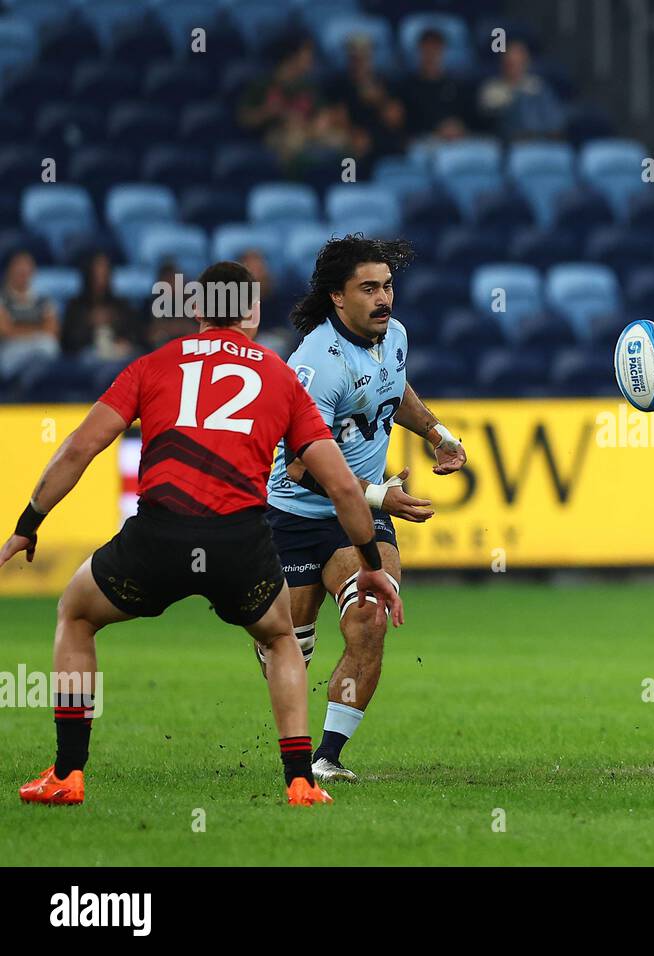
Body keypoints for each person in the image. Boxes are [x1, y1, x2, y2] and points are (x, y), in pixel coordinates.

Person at [3, 260, 402, 807]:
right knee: (282, 639)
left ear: (195, 310)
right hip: (240, 543)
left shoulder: (153, 365)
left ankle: (68, 773)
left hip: (158, 536)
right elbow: (343, 489)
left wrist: (29, 524)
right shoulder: (281, 377)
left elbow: (80, 447)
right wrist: (372, 566)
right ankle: (300, 780)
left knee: (75, 612)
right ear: (252, 312)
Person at [263, 235, 467, 784]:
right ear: (337, 298)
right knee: (288, 645)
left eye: (388, 286)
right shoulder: (313, 367)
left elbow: (393, 388)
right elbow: (299, 467)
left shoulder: (393, 335)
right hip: (293, 516)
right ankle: (297, 735)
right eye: (369, 289)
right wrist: (378, 494)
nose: (384, 299)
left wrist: (436, 433)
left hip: (355, 516)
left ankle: (326, 757)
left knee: (370, 617)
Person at [60, 251, 143, 359]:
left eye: (104, 271)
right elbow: (68, 341)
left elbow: (134, 333)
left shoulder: (121, 305)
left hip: (118, 352)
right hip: (88, 355)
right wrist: (90, 323)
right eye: (96, 271)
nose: (100, 276)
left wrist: (120, 335)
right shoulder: (76, 306)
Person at [477, 39, 565, 140]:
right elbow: (488, 120)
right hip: (508, 142)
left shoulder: (537, 85)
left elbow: (554, 118)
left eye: (519, 62)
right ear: (503, 63)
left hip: (543, 139)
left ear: (526, 63)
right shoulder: (492, 88)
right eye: (510, 63)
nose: (515, 67)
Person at [401, 28, 477, 141]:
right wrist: (436, 129)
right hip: (425, 141)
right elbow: (406, 122)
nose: (431, 53)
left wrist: (459, 127)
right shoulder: (407, 86)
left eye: (435, 48)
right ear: (419, 50)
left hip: (457, 140)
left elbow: (469, 116)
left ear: (442, 51)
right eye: (427, 49)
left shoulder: (456, 85)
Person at [0, 249, 60, 381]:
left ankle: (30, 381)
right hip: (10, 350)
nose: (23, 272)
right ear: (9, 270)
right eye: (19, 267)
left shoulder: (43, 299)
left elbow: (52, 330)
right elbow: (6, 331)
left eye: (26, 267)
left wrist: (20, 327)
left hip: (38, 348)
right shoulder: (3, 298)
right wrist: (37, 329)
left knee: (49, 345)